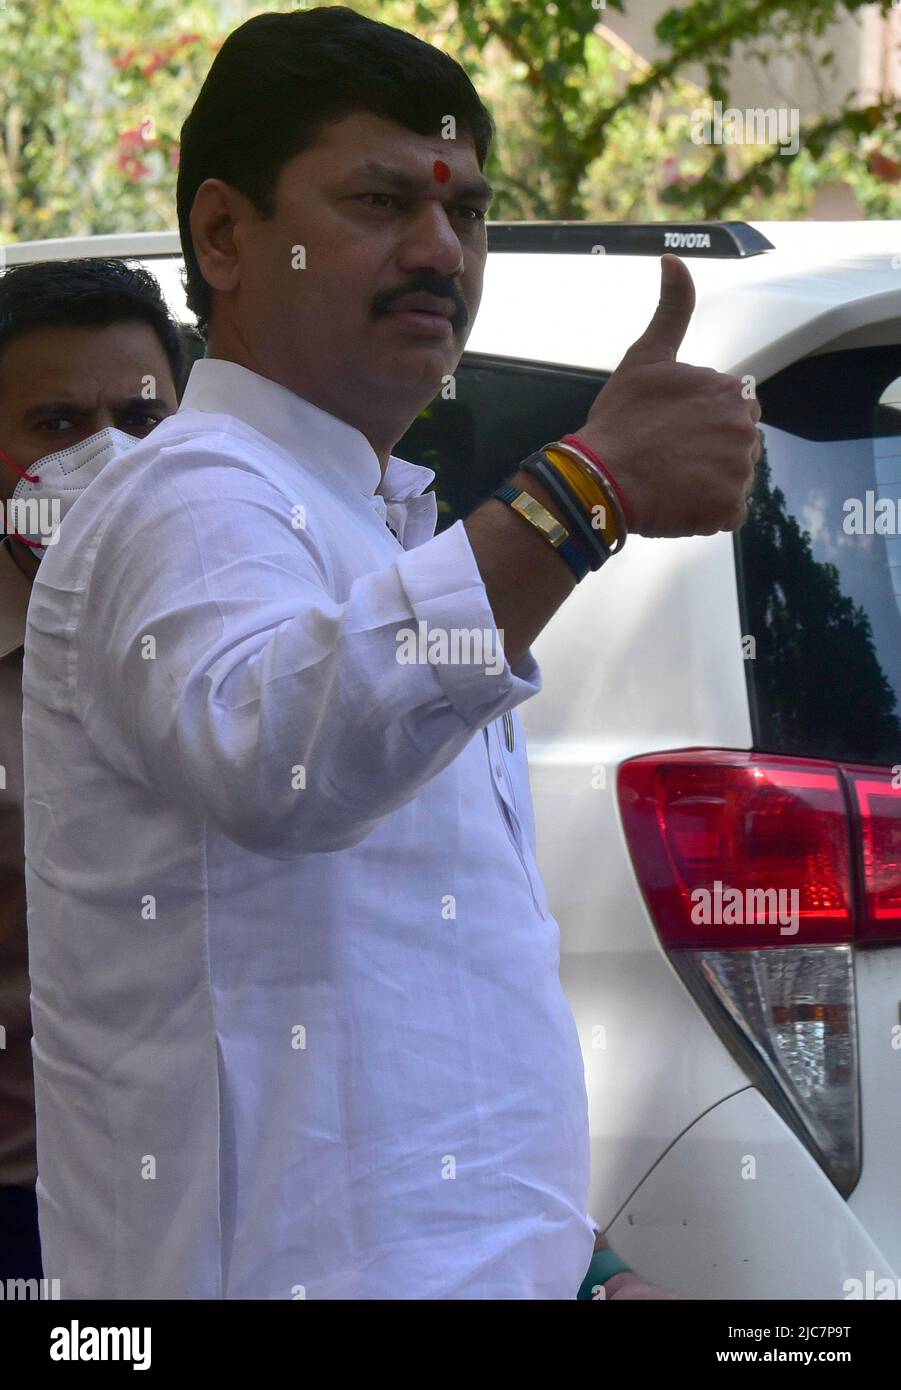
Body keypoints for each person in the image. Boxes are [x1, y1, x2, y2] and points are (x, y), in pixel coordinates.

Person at [22, 8, 760, 1299]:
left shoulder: (373, 528)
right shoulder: (182, 498)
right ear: (223, 235)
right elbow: (281, 755)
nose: (439, 251)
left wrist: (575, 1262)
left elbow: (427, 1012)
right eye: (378, 201)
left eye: (466, 212)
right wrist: (586, 491)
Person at [0, 257, 182, 1279]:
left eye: (145, 420)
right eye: (59, 423)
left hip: (236, 1190)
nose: (112, 455)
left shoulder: (276, 641)